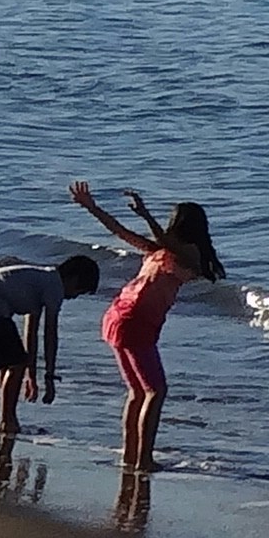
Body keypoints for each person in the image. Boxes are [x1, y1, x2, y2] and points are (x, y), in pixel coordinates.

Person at [68, 179, 226, 476]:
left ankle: (131, 456)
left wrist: (102, 209)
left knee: (138, 392)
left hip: (121, 316)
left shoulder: (185, 254)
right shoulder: (169, 251)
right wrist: (98, 209)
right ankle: (143, 459)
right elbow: (122, 232)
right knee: (155, 391)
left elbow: (141, 238)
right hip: (134, 320)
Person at [0, 250, 102, 438]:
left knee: (9, 364)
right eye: (79, 291)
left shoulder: (40, 279)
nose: (74, 297)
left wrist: (32, 376)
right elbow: (50, 334)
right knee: (15, 363)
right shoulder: (55, 287)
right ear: (74, 279)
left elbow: (31, 333)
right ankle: (6, 420)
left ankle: (7, 418)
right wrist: (50, 377)